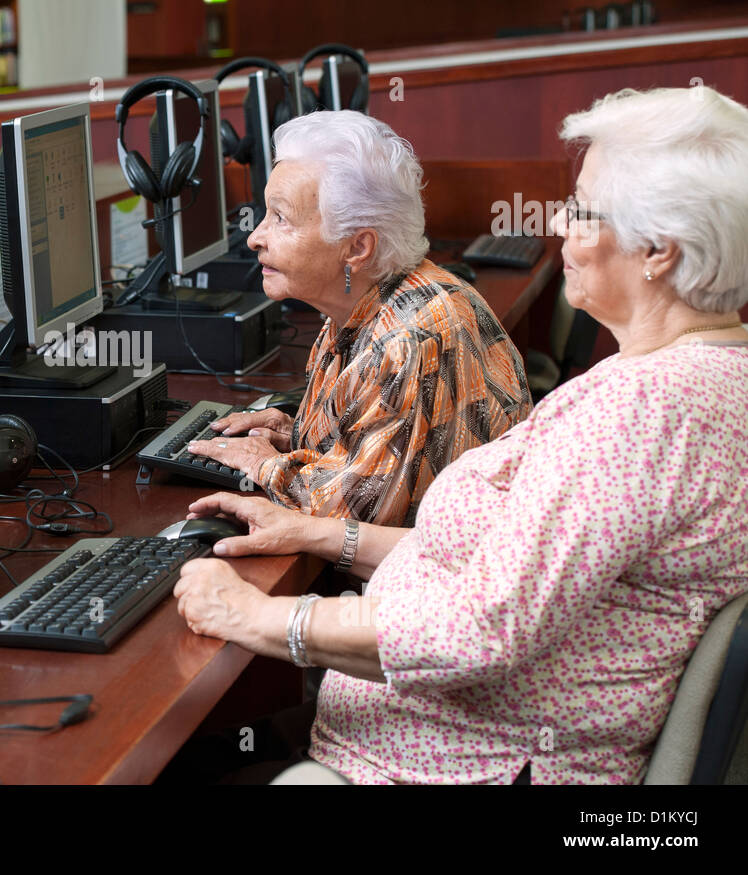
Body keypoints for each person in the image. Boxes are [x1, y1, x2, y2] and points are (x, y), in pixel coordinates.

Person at [172, 86, 748, 784]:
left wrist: (259, 616)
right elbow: (512, 559)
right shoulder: (697, 374)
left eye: (584, 209)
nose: (560, 223)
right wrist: (318, 535)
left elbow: (479, 631)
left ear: (658, 249)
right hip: (453, 739)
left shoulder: (645, 413)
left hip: (465, 764)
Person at [186, 110, 531, 528]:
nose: (255, 236)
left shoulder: (408, 340)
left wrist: (265, 465)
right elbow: (389, 444)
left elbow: (360, 512)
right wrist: (291, 433)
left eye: (280, 218)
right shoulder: (366, 303)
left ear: (357, 247)